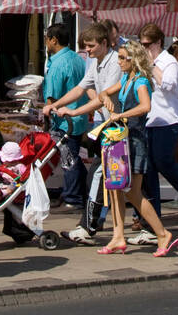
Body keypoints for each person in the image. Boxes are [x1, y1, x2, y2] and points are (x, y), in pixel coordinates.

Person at [96, 41, 178, 257]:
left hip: (135, 142)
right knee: (114, 188)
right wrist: (106, 99)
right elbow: (104, 92)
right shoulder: (126, 78)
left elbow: (145, 107)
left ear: (134, 59)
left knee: (132, 192)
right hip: (122, 140)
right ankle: (118, 236)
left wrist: (120, 115)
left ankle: (162, 233)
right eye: (119, 57)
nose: (119, 62)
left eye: (123, 58)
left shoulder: (141, 81)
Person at [43, 21, 120, 245]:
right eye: (85, 46)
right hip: (109, 128)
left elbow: (100, 98)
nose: (87, 50)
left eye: (91, 46)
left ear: (104, 43)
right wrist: (56, 104)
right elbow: (80, 89)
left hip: (118, 128)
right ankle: (102, 227)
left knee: (102, 178)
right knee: (116, 182)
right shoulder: (94, 63)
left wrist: (73, 110)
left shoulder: (115, 63)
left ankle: (90, 227)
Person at [140, 23, 178, 221]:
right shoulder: (147, 60)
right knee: (148, 167)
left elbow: (168, 85)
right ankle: (149, 214)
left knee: (163, 162)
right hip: (149, 119)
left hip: (167, 119)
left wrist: (151, 66)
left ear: (158, 42)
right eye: (142, 44)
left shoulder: (169, 63)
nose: (145, 48)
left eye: (148, 44)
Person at [43, 23, 88, 208]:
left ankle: (73, 197)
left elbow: (52, 97)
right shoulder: (77, 59)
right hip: (79, 116)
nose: (46, 43)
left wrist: (47, 114)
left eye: (47, 39)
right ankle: (82, 189)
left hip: (65, 120)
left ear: (54, 40)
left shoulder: (58, 64)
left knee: (68, 159)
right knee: (73, 156)